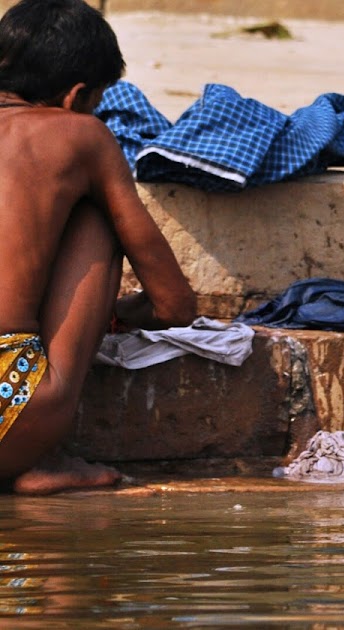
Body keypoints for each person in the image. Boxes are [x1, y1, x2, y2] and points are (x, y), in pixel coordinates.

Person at [0, 0, 197, 495]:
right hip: (10, 411)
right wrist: (121, 314)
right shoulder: (80, 133)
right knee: (101, 216)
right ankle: (37, 459)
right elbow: (175, 306)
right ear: (76, 95)